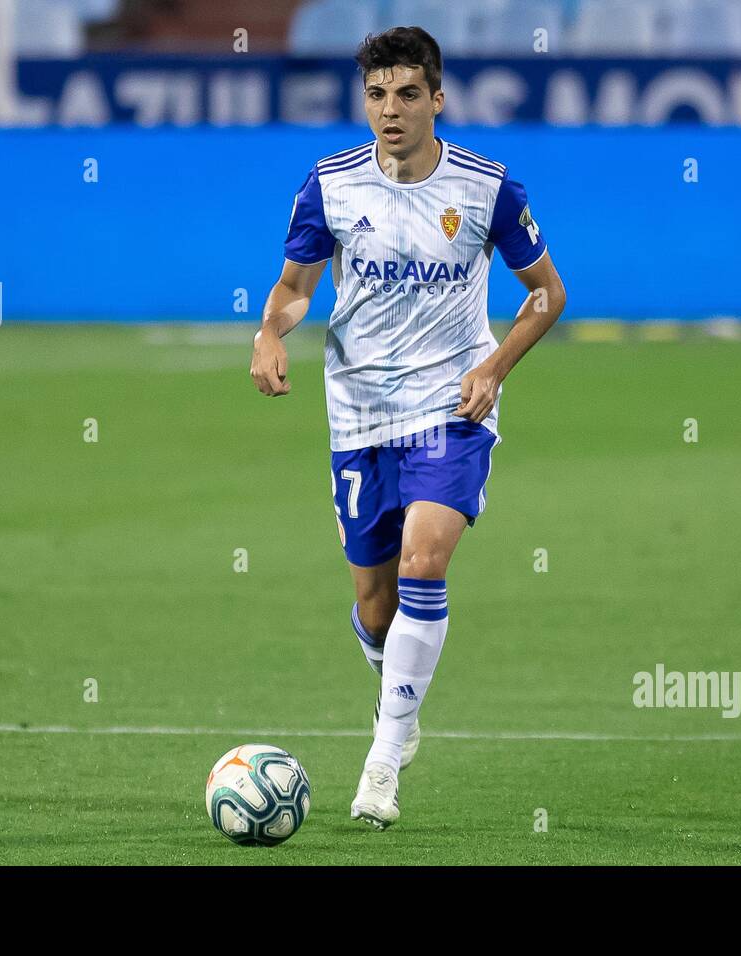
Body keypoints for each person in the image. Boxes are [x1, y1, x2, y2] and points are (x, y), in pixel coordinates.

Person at [249, 26, 566, 829]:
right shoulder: (330, 184)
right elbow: (294, 285)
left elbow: (546, 295)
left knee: (427, 558)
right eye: (377, 95)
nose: (390, 111)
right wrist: (270, 331)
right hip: (357, 411)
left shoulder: (488, 188)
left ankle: (382, 759)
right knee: (374, 604)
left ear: (437, 98)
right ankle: (402, 701)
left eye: (406, 95)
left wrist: (493, 370)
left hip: (447, 407)